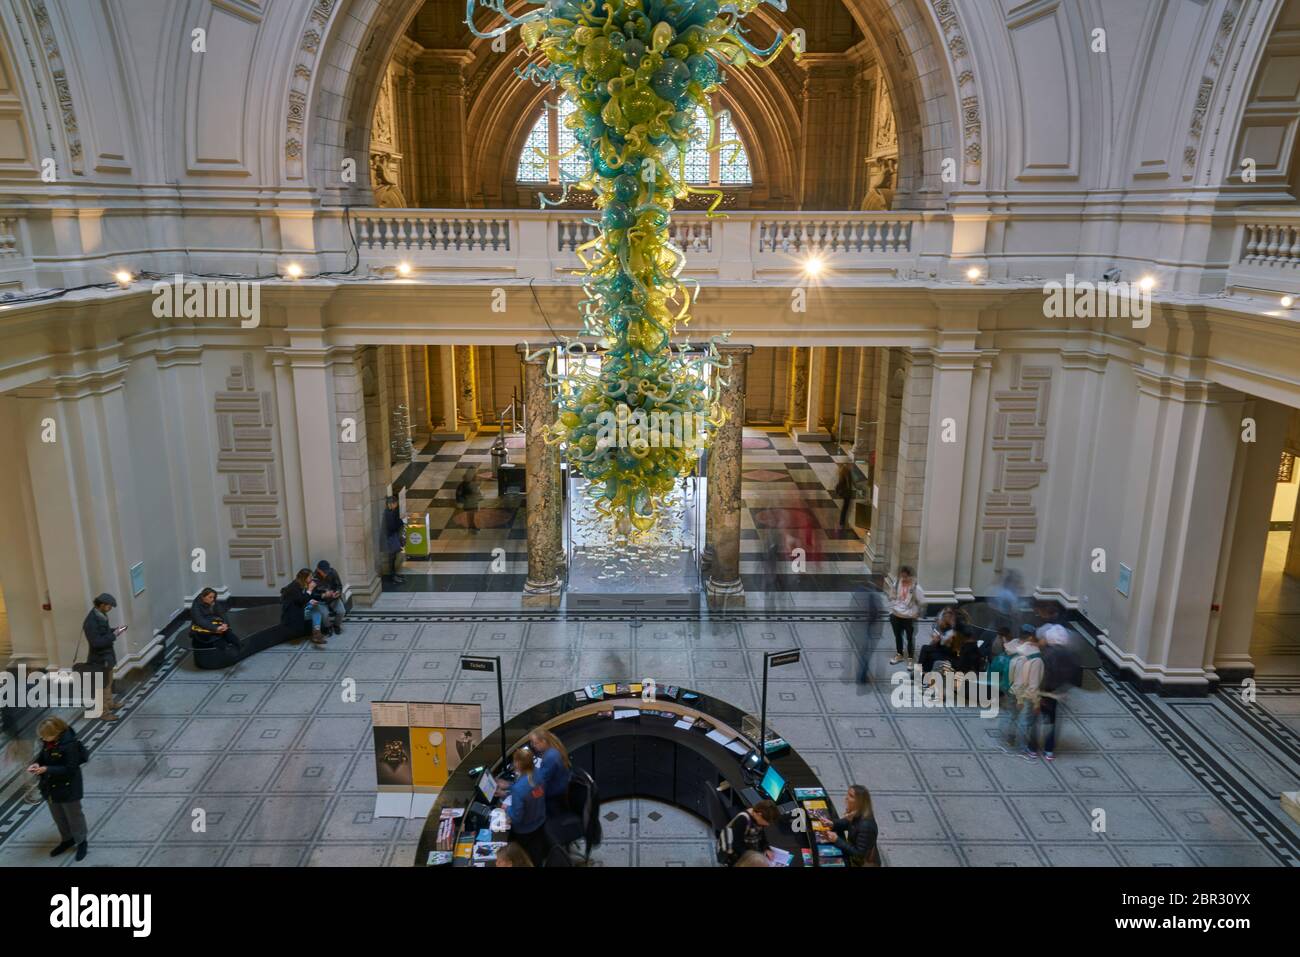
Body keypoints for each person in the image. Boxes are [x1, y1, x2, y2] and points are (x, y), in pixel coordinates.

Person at [27, 718, 90, 861]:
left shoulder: (69, 745)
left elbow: (70, 768)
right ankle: (67, 839)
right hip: (51, 788)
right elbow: (43, 756)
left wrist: (47, 769)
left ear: (56, 733)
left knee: (74, 816)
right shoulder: (48, 742)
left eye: (45, 735)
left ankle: (81, 841)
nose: (42, 738)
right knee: (58, 815)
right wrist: (37, 764)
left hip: (69, 788)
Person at [501, 747, 550, 866]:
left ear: (517, 764)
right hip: (540, 823)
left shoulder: (519, 789)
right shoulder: (539, 773)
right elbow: (532, 793)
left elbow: (517, 818)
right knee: (536, 855)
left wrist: (507, 808)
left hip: (524, 831)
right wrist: (509, 788)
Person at [82, 593, 126, 721]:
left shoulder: (100, 615)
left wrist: (114, 630)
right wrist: (114, 635)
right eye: (109, 606)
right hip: (99, 659)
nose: (110, 609)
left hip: (107, 657)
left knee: (108, 683)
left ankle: (110, 704)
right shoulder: (91, 621)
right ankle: (104, 712)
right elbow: (96, 642)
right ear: (101, 605)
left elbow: (103, 633)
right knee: (101, 687)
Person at [817, 784, 879, 866]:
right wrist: (833, 823)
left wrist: (837, 840)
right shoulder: (858, 813)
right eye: (848, 794)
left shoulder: (866, 827)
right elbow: (848, 823)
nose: (846, 798)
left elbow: (859, 853)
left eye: (851, 796)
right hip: (853, 852)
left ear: (859, 802)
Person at [721, 799, 779, 866]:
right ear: (759, 815)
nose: (768, 825)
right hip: (734, 855)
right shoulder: (743, 819)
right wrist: (754, 858)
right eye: (767, 822)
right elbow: (736, 844)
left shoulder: (758, 819)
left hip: (749, 849)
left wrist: (766, 848)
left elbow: (761, 835)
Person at [528, 728, 572, 816]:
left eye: (535, 743)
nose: (532, 746)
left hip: (553, 796)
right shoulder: (552, 749)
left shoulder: (550, 757)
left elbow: (540, 781)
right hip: (559, 788)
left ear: (543, 741)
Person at [886, 567, 924, 666]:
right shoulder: (897, 584)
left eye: (905, 576)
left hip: (909, 617)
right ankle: (899, 654)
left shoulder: (916, 588)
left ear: (910, 576)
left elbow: (922, 602)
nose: (903, 578)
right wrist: (892, 603)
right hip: (896, 615)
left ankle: (910, 658)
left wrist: (917, 613)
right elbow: (891, 596)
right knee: (898, 636)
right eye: (902, 576)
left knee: (910, 638)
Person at [281, 569, 327, 645]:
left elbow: (304, 599)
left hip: (300, 607)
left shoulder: (302, 584)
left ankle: (317, 634)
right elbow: (301, 601)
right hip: (294, 613)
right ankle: (316, 634)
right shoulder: (294, 587)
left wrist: (310, 601)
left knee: (316, 608)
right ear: (304, 577)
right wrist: (310, 589)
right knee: (316, 610)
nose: (312, 578)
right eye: (310, 576)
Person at [853, 581, 885, 684]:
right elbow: (879, 612)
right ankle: (862, 676)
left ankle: (861, 675)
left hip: (861, 627)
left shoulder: (858, 594)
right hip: (870, 628)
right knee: (866, 653)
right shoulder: (875, 597)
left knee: (863, 652)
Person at [189, 587, 239, 652]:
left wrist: (225, 624)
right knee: (215, 637)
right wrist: (216, 628)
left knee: (228, 632)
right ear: (203, 597)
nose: (213, 599)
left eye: (214, 597)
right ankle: (226, 650)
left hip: (212, 622)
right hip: (200, 629)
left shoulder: (213, 601)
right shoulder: (196, 606)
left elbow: (222, 613)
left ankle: (239, 645)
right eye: (210, 597)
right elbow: (200, 621)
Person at [311, 560, 346, 634]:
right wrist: (322, 595)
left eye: (327, 572)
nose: (325, 574)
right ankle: (328, 627)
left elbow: (339, 586)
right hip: (321, 601)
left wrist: (337, 593)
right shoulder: (313, 577)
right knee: (324, 614)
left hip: (333, 598)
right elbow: (312, 594)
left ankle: (336, 625)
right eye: (323, 572)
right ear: (318, 570)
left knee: (341, 611)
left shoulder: (332, 572)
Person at [381, 496, 406, 584]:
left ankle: (394, 574)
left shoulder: (390, 512)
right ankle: (392, 576)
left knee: (393, 557)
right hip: (390, 539)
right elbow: (392, 527)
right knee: (392, 558)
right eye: (395, 503)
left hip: (391, 538)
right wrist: (400, 525)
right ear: (391, 504)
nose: (396, 505)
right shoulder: (389, 514)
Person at [834, 462, 857, 529]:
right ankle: (842, 523)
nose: (851, 466)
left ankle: (843, 522)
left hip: (846, 494)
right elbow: (847, 484)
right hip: (847, 494)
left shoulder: (844, 473)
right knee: (845, 508)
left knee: (846, 508)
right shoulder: (847, 474)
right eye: (850, 465)